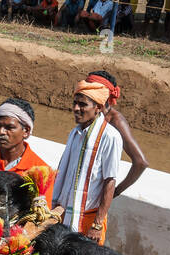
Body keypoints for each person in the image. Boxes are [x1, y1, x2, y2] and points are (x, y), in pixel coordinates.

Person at [52, 76, 124, 244]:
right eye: (75, 103)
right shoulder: (75, 133)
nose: (76, 109)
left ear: (98, 107)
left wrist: (97, 225)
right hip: (64, 214)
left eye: (83, 104)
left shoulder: (110, 136)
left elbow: (109, 181)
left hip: (89, 221)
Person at [0, 97, 52, 200]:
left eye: (9, 127)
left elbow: (44, 212)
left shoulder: (41, 172)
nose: (1, 132)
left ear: (26, 131)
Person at [88, 69, 148, 199]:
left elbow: (140, 162)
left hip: (94, 199)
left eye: (89, 90)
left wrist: (114, 192)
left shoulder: (115, 121)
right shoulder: (91, 114)